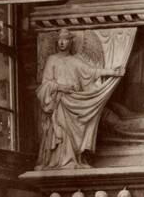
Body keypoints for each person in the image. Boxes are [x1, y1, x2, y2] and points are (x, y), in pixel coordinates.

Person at [35, 30, 120, 168]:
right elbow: (45, 84)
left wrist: (113, 72)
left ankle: (74, 160)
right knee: (61, 129)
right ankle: (61, 161)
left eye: (65, 39)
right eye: (60, 40)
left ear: (71, 41)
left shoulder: (75, 61)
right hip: (60, 101)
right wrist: (61, 87)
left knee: (77, 128)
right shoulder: (52, 59)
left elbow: (93, 72)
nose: (62, 42)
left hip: (75, 101)